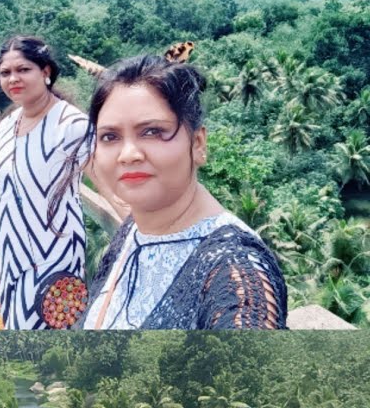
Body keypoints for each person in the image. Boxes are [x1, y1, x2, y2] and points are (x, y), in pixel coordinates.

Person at [80, 54, 286, 329]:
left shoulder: (235, 270)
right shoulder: (136, 229)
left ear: (198, 143)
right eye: (110, 137)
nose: (128, 154)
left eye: (152, 131)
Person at [0, 36, 118, 329]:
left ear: (45, 72)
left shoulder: (71, 125)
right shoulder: (8, 125)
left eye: (23, 69)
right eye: (5, 72)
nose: (13, 79)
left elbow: (108, 186)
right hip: (13, 257)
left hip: (56, 261)